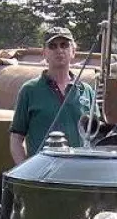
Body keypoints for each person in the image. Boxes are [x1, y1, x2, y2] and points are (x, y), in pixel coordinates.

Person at [9, 26, 94, 164]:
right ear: (44, 53)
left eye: (64, 45)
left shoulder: (87, 91)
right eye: (53, 46)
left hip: (79, 173)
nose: (59, 50)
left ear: (73, 51)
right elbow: (16, 138)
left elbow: (96, 136)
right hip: (43, 176)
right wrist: (26, 171)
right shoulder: (29, 90)